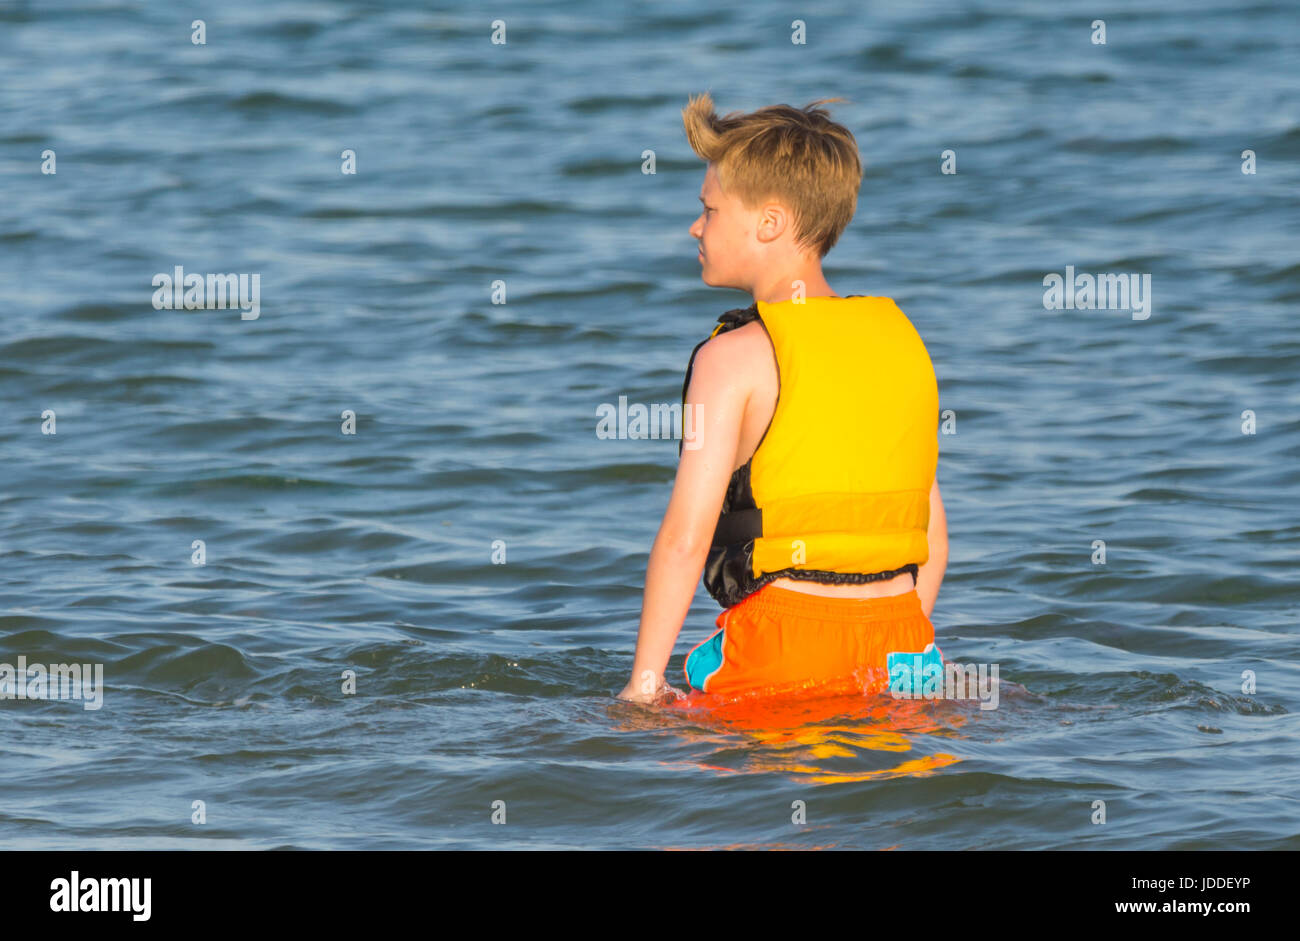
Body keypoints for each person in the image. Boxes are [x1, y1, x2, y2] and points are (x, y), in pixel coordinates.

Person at [616, 92, 947, 704]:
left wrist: (641, 688)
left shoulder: (730, 358)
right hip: (905, 647)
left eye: (709, 210)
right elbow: (936, 537)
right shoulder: (899, 344)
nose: (695, 226)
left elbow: (685, 539)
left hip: (783, 646)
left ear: (768, 222)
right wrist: (890, 647)